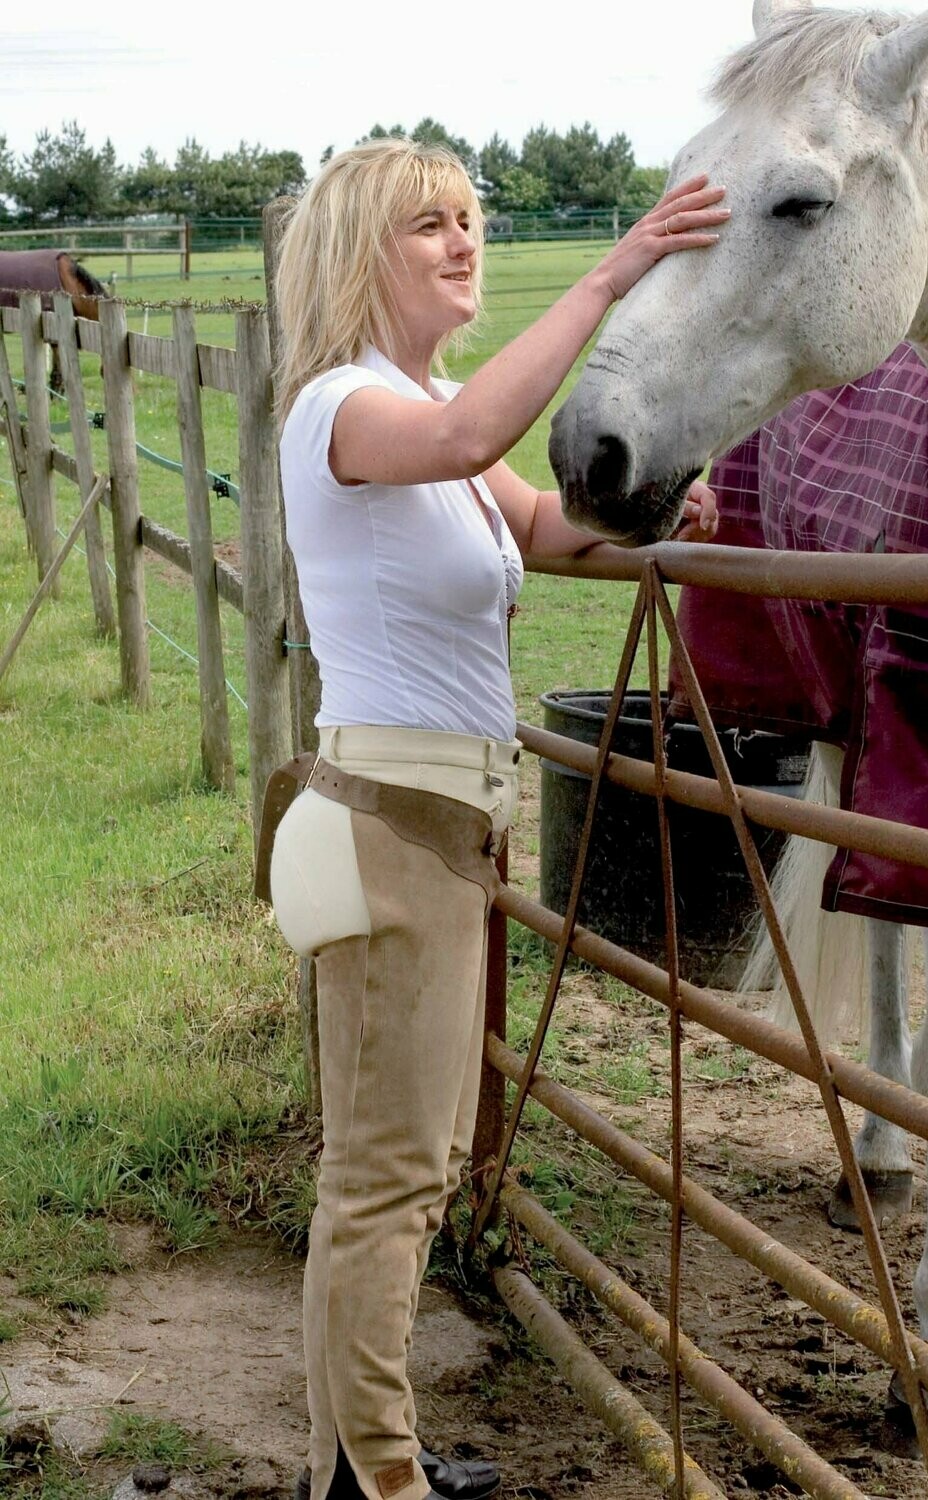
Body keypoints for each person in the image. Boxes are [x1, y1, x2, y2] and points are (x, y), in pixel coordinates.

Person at [265, 137, 728, 1500]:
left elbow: (536, 526)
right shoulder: (342, 408)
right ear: (359, 253)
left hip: (436, 830)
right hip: (393, 827)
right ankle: (373, 1481)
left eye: (471, 219)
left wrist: (652, 517)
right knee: (388, 1177)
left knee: (397, 1169)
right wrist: (613, 274)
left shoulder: (426, 411)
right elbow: (476, 442)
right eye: (430, 224)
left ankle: (355, 1463)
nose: (465, 241)